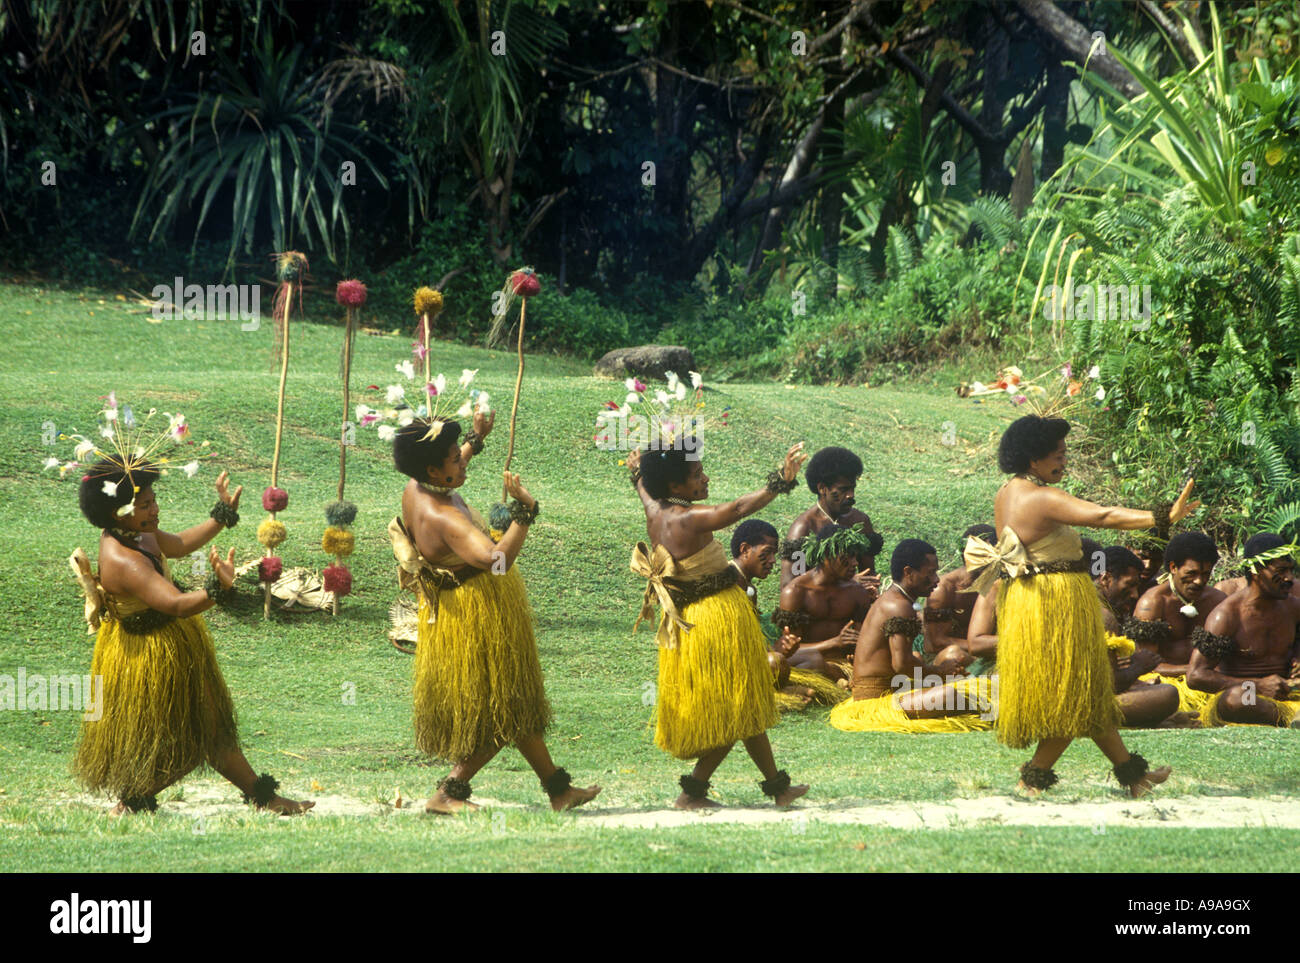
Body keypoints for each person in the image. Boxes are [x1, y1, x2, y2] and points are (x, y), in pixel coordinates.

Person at [964, 414, 1196, 797]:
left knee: (1087, 695)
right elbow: (1103, 516)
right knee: (1074, 696)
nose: (1064, 459)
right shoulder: (1041, 498)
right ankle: (1033, 777)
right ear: (1033, 457)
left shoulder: (1007, 493)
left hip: (1033, 600)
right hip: (1051, 604)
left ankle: (1133, 777)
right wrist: (1161, 517)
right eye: (1057, 453)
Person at [71, 460, 313, 815]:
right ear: (117, 512)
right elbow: (178, 604)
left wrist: (222, 515)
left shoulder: (135, 533)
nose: (155, 509)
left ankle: (264, 798)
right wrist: (220, 587)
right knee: (196, 736)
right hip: (148, 655)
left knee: (213, 727)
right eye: (145, 505)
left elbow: (181, 543)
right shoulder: (125, 560)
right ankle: (132, 801)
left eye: (154, 500)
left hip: (168, 643)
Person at [390, 412, 600, 813]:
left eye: (459, 453)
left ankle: (559, 791)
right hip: (475, 613)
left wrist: (475, 439)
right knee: (503, 709)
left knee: (515, 704)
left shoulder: (418, 486)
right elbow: (497, 561)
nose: (462, 461)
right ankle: (448, 793)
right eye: (455, 458)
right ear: (435, 468)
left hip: (464, 603)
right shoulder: (444, 517)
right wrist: (526, 512)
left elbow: (450, 466)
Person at [628, 440, 809, 810]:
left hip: (694, 620)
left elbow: (644, 489)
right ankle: (692, 792)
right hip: (713, 622)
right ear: (675, 487)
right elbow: (738, 508)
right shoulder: (686, 517)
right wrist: (781, 480)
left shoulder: (656, 510)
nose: (705, 479)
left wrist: (637, 473)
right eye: (697, 476)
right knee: (737, 707)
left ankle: (778, 788)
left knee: (744, 704)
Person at [830, 539, 992, 733]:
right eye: (930, 573)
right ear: (908, 572)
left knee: (962, 681)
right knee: (959, 693)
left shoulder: (895, 600)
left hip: (890, 694)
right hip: (876, 704)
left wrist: (939, 671)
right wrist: (939, 671)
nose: (936, 580)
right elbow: (902, 664)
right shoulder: (898, 606)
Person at [1188, 534, 1300, 726]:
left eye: (1291, 570)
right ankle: (1289, 717)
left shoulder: (1293, 607)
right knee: (1235, 700)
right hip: (1248, 693)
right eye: (1281, 571)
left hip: (1291, 691)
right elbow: (1196, 676)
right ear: (1256, 571)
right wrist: (1258, 685)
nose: (1289, 578)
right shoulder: (1226, 615)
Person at [729, 520, 842, 707]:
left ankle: (781, 689)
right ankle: (777, 694)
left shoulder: (749, 588)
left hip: (749, 659)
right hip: (726, 666)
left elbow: (750, 639)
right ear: (745, 549)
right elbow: (729, 647)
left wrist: (777, 648)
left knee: (812, 659)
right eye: (767, 553)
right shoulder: (728, 583)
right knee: (775, 662)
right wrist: (774, 652)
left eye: (774, 553)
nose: (773, 560)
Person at [776, 525, 881, 681]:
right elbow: (791, 650)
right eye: (848, 557)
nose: (855, 563)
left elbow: (861, 642)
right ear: (826, 555)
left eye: (856, 557)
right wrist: (834, 643)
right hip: (809, 663)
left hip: (845, 665)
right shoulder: (796, 592)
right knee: (813, 660)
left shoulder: (857, 592)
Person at [779, 446, 882, 592]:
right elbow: (790, 586)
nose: (850, 495)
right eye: (843, 490)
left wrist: (871, 588)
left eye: (852, 488)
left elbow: (868, 574)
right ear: (822, 488)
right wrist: (845, 582)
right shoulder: (804, 528)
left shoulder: (860, 522)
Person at [922, 524, 996, 656]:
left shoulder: (998, 584)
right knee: (953, 654)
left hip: (985, 651)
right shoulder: (943, 590)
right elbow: (937, 642)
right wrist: (981, 645)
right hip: (947, 659)